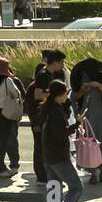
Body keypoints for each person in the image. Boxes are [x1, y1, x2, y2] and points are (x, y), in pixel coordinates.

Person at [41, 79, 84, 202]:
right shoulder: (55, 112)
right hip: (59, 158)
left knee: (54, 192)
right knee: (77, 187)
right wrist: (76, 124)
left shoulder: (49, 108)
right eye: (65, 93)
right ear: (61, 94)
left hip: (48, 158)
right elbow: (60, 133)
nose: (67, 95)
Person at [71, 56, 102, 184]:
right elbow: (74, 96)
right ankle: (93, 172)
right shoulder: (81, 76)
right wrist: (83, 90)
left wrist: (98, 85)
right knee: (88, 144)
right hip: (88, 116)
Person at [28, 49, 67, 186]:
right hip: (40, 116)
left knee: (48, 146)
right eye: (61, 62)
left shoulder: (53, 74)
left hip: (48, 114)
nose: (62, 65)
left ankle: (50, 176)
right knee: (40, 146)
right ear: (55, 62)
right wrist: (53, 96)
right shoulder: (43, 75)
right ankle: (42, 176)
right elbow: (37, 95)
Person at [0, 58, 24, 178]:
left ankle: (0, 165)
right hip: (6, 111)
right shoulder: (7, 81)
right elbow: (17, 93)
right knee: (6, 140)